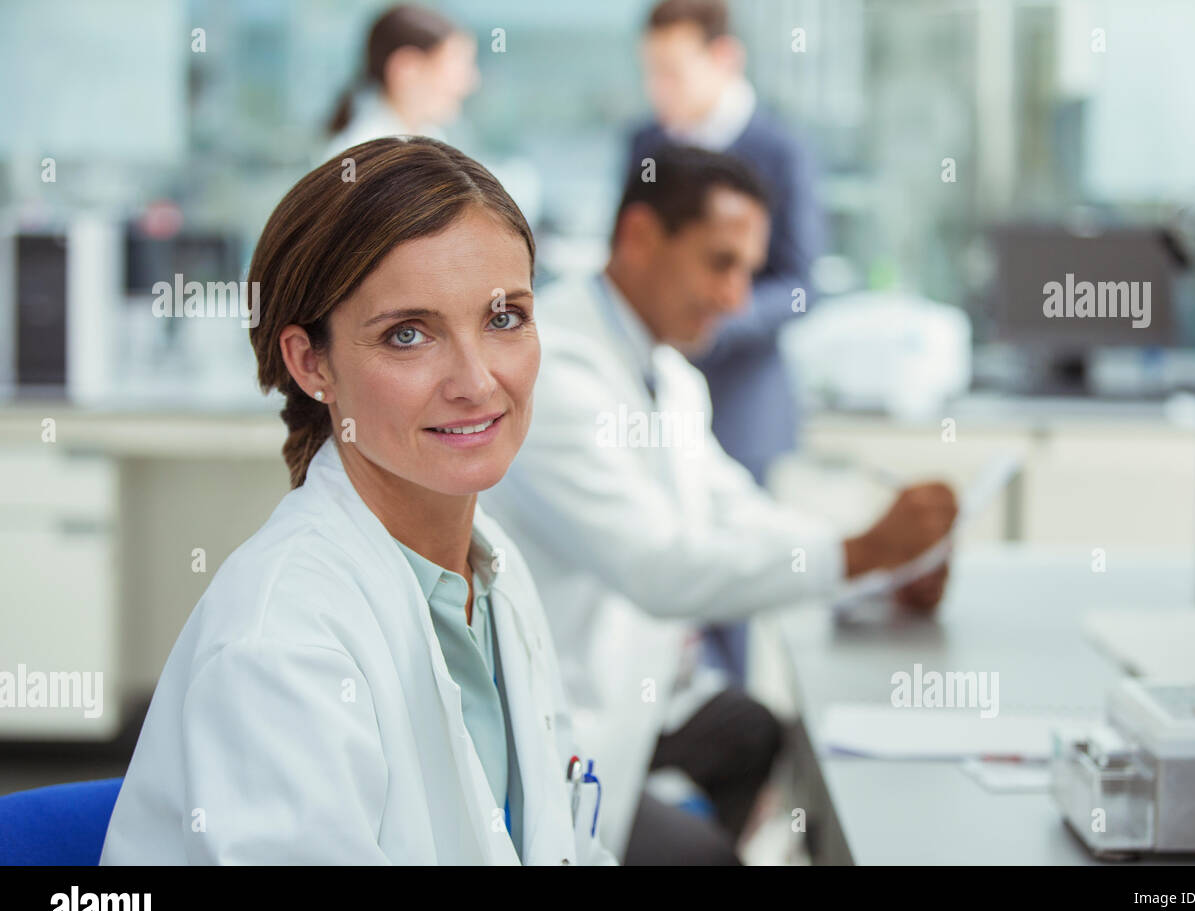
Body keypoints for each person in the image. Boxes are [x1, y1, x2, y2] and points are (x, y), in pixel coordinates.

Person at [100, 137, 614, 865]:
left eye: (504, 319)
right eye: (408, 335)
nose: (475, 381)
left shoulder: (494, 575)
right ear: (312, 363)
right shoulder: (279, 643)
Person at [482, 145, 955, 864]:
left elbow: (740, 513)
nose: (737, 298)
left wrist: (879, 566)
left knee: (750, 730)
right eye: (720, 263)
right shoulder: (555, 372)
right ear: (641, 236)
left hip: (643, 701)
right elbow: (658, 569)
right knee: (706, 858)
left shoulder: (669, 375)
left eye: (750, 271)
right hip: (555, 732)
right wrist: (860, 552)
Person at [629, 0, 826, 681]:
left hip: (741, 400)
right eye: (650, 72)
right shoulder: (646, 144)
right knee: (650, 581)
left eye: (673, 72)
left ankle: (729, 757)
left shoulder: (780, 149)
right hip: (647, 392)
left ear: (724, 60)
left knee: (732, 584)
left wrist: (712, 318)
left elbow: (802, 283)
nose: (660, 91)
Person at [323, 4, 479, 158]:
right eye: (457, 67)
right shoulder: (362, 157)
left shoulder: (426, 135)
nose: (471, 83)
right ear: (406, 69)